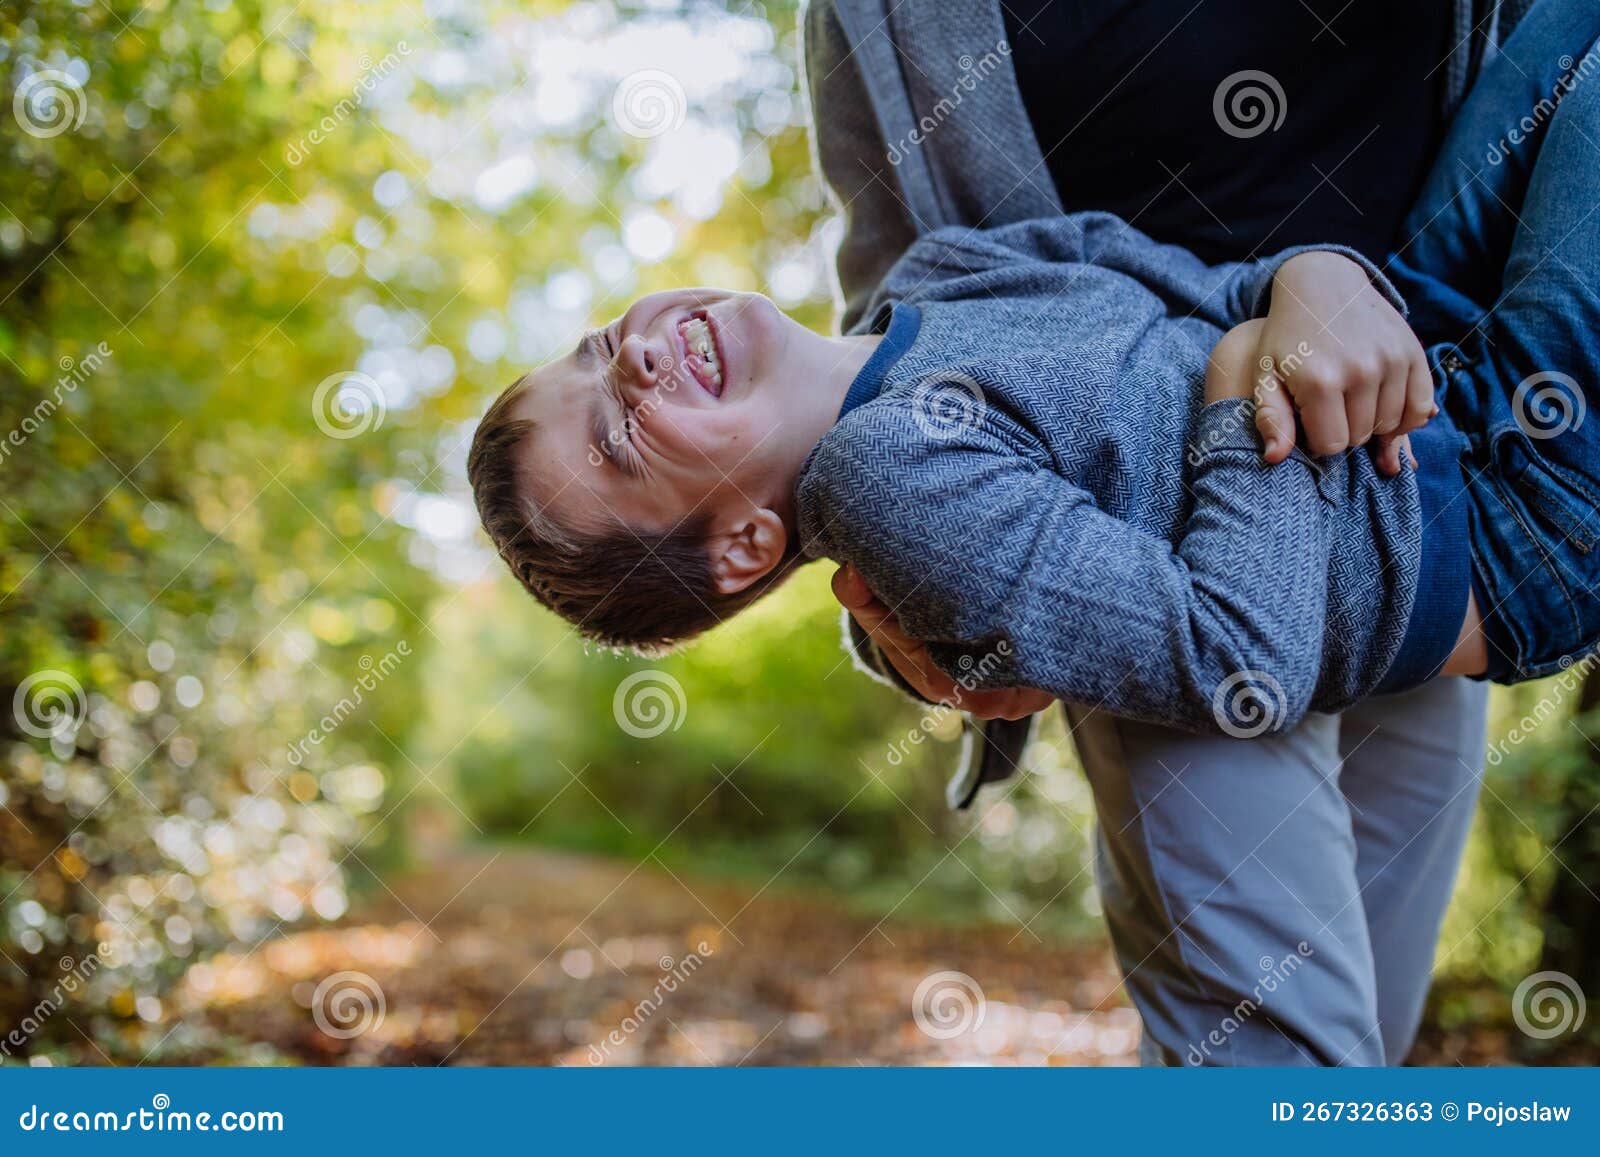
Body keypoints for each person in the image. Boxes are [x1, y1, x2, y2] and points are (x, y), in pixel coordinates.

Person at [802, 0, 1529, 1064]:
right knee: (1277, 1062)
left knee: (1370, 1026)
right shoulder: (884, 16)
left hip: (1423, 484)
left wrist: (1323, 283)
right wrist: (911, 611)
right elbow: (897, 309)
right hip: (1154, 555)